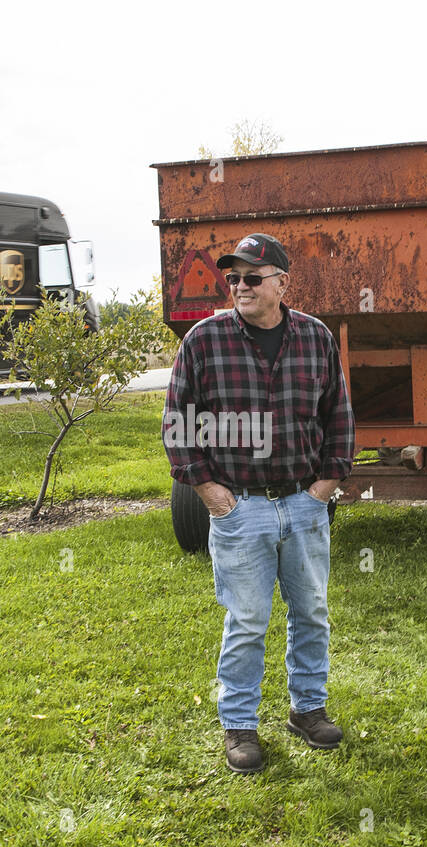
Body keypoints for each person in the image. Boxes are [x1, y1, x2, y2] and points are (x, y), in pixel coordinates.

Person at [163, 233, 355, 774]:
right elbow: (178, 422)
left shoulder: (315, 337)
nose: (240, 287)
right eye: (233, 279)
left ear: (281, 283)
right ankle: (240, 725)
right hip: (239, 508)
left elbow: (339, 415)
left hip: (302, 504)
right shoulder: (204, 340)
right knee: (247, 620)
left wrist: (325, 486)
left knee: (312, 612)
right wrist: (207, 491)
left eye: (252, 277)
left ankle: (307, 710)